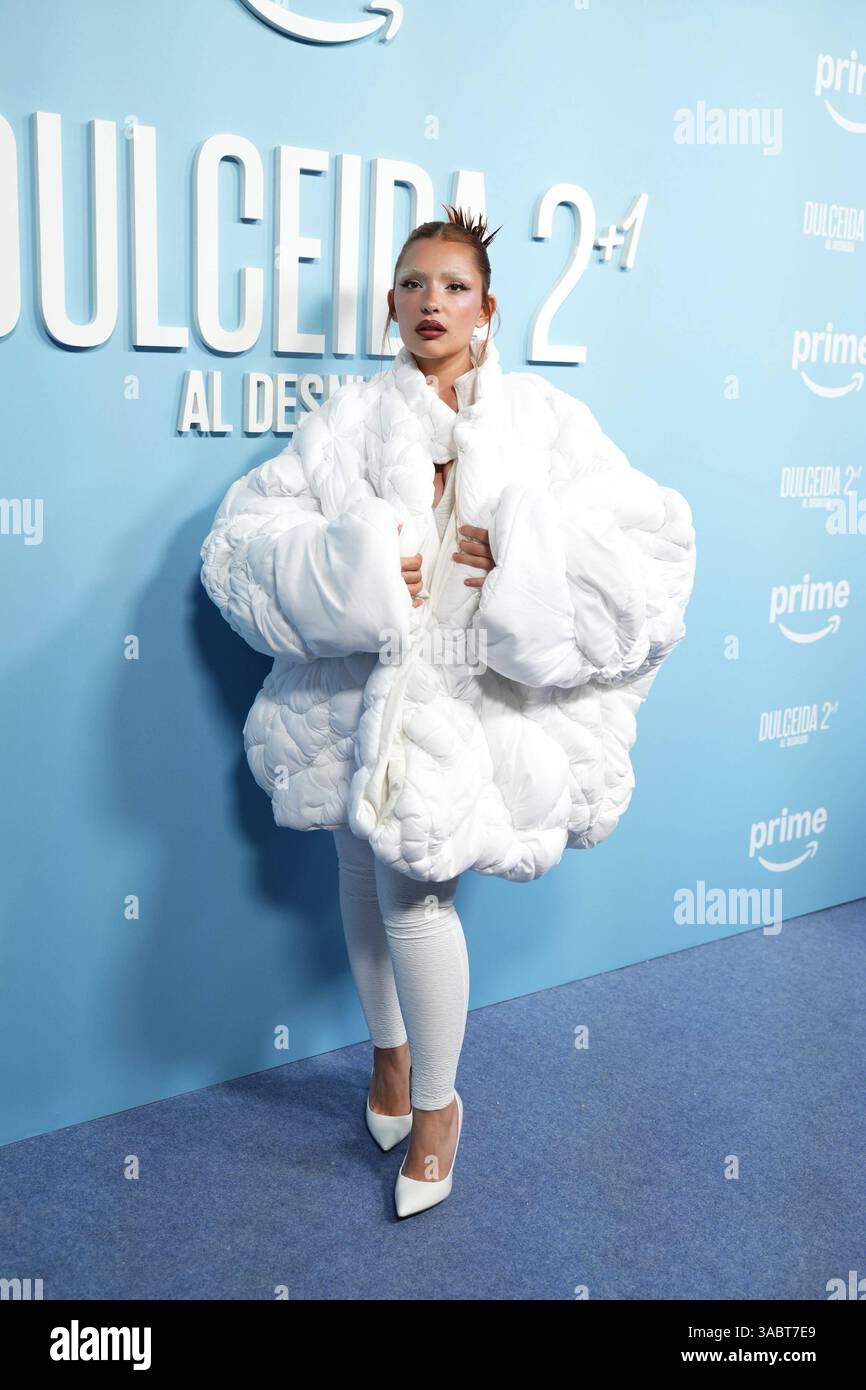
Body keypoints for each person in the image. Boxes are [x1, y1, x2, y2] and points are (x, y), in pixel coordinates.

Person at [199, 205, 697, 1218]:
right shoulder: (344, 418)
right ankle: (387, 1064)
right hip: (356, 693)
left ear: (488, 308)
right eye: (414, 284)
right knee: (354, 861)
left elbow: (650, 551)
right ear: (390, 302)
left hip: (465, 698)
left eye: (453, 286)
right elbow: (243, 540)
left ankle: (437, 1108)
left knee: (417, 891)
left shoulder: (545, 424)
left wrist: (526, 554)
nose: (432, 302)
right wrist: (360, 562)